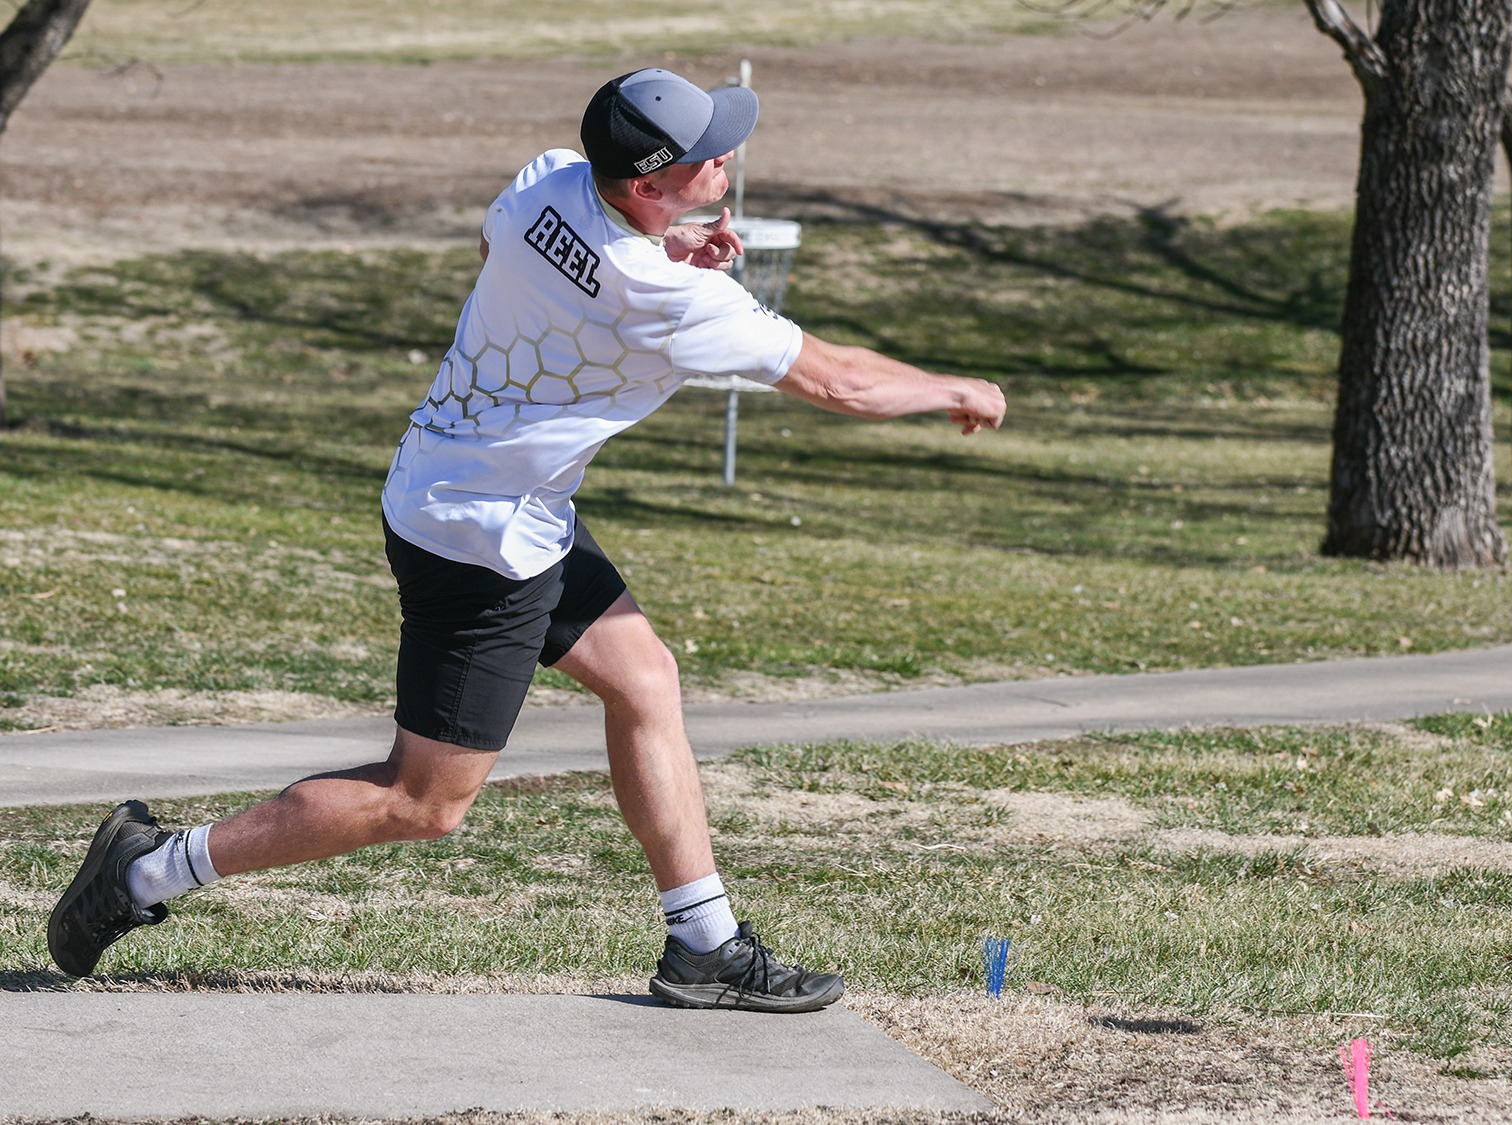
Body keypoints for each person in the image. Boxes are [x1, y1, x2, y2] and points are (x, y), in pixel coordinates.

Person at [46, 68, 1007, 1012]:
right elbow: (839, 382)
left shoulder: (546, 177)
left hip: (487, 495)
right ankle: (147, 870)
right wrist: (959, 390)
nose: (729, 157)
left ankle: (704, 944)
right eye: (709, 154)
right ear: (647, 184)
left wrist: (661, 257)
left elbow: (502, 253)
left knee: (644, 679)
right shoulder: (669, 301)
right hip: (482, 542)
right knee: (424, 800)